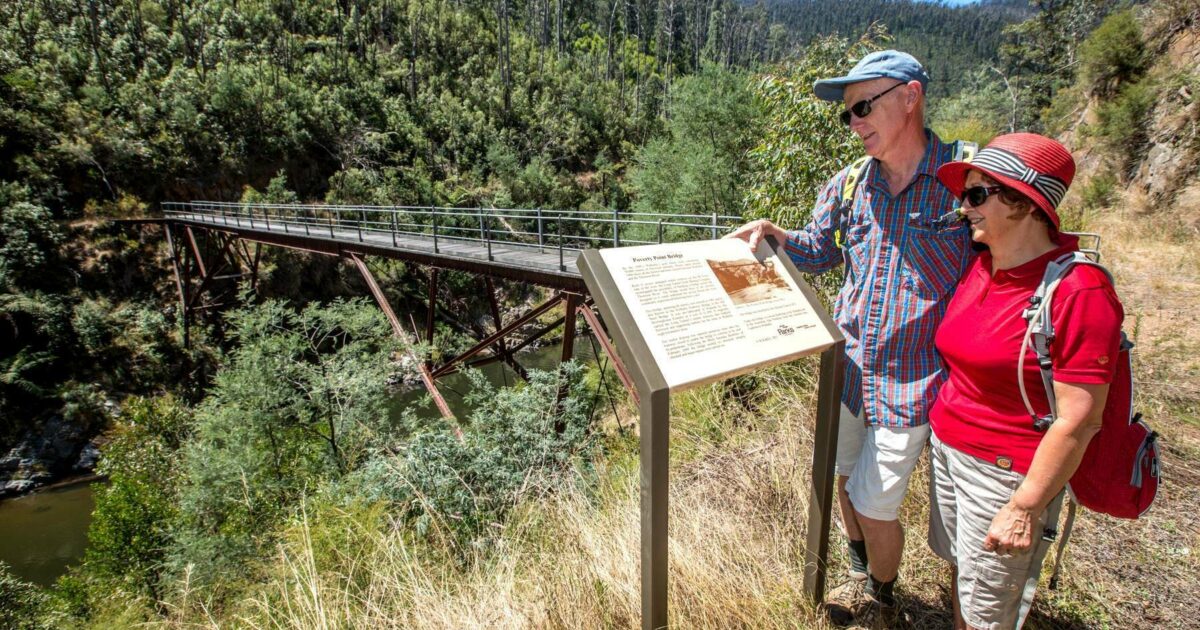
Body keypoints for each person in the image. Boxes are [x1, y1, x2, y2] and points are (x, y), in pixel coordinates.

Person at [727, 50, 972, 627]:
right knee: (843, 484)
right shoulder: (848, 185)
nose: (856, 122)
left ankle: (882, 600)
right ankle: (864, 574)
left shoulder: (966, 180)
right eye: (849, 114)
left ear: (910, 97)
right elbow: (818, 250)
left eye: (864, 106)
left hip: (916, 383)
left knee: (873, 502)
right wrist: (776, 234)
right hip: (850, 373)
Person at [927, 133, 1123, 629]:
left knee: (989, 606)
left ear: (1024, 204)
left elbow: (1080, 421)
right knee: (963, 574)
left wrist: (1024, 507)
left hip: (1004, 473)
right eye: (963, 195)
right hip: (949, 449)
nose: (963, 208)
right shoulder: (984, 266)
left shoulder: (1080, 293)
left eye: (976, 196)